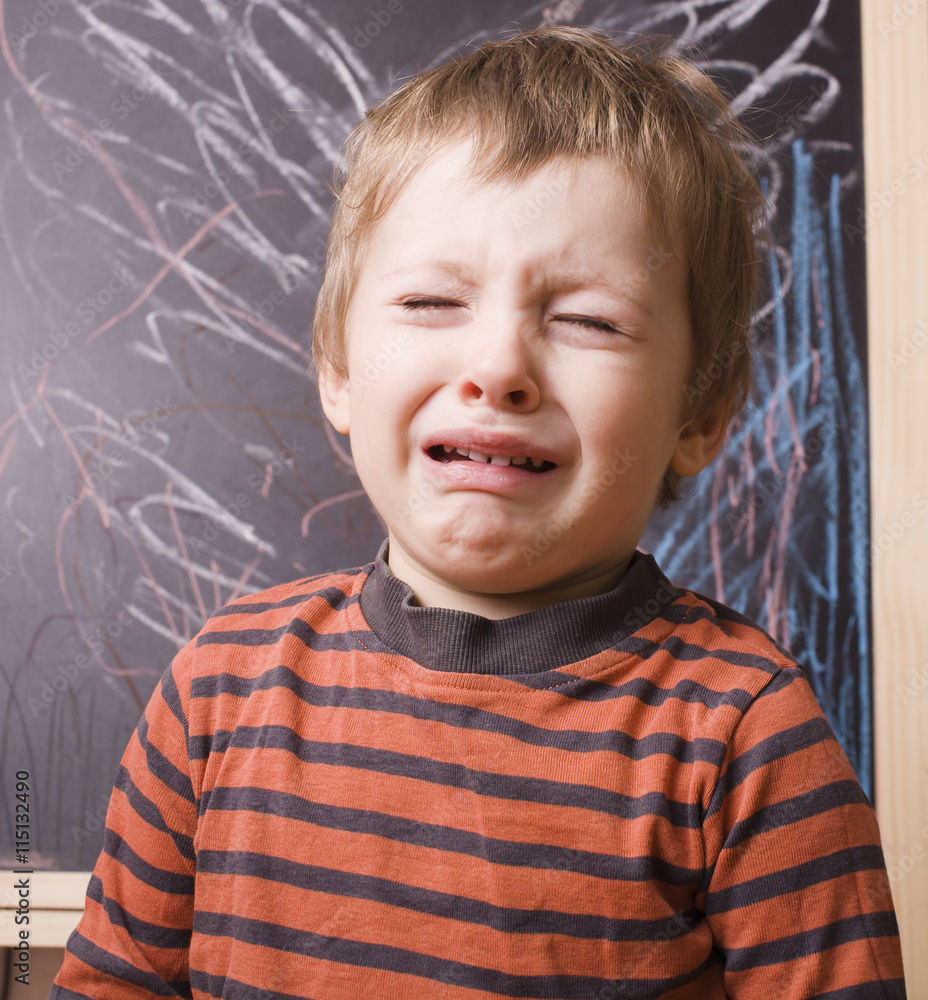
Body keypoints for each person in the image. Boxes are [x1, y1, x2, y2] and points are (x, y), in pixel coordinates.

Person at [50, 26, 905, 1000]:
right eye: (428, 302)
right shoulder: (220, 687)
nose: (497, 367)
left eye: (587, 320)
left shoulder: (744, 730)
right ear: (336, 370)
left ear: (700, 412)